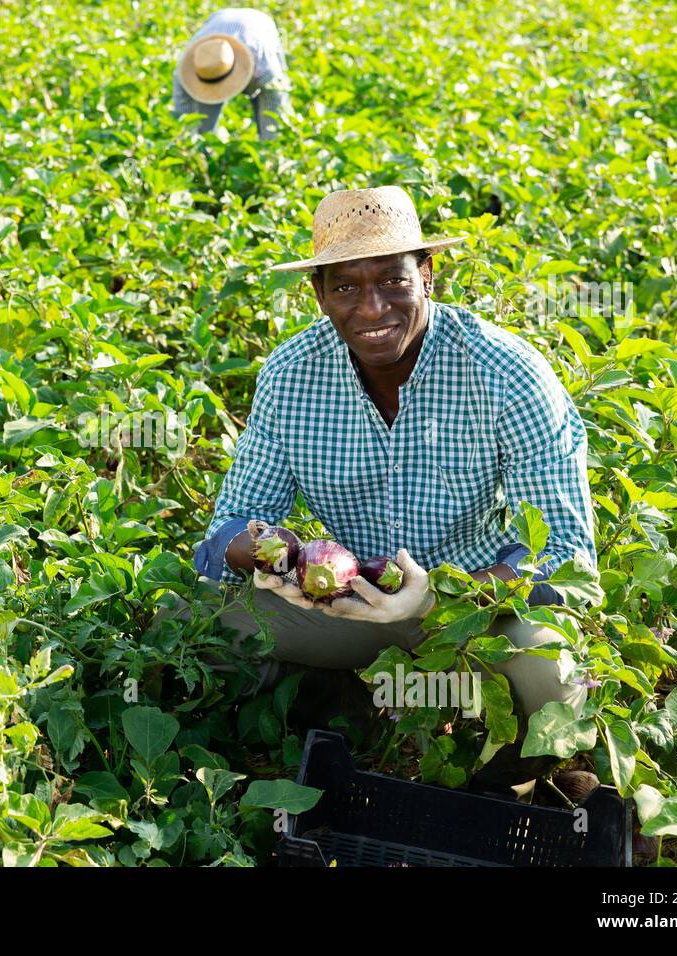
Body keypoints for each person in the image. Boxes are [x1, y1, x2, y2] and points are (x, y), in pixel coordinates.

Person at [182, 185, 600, 796]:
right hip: (346, 598)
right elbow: (236, 523)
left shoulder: (506, 372)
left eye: (392, 281)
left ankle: (505, 782)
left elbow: (567, 551)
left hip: (475, 608)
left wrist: (442, 597)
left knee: (551, 675)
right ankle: (343, 702)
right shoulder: (292, 374)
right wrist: (273, 552)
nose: (372, 308)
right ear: (319, 295)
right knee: (194, 626)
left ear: (427, 276)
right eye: (346, 286)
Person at [172, 8, 291, 141]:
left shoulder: (265, 71)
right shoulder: (186, 72)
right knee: (203, 131)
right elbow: (184, 123)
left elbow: (274, 123)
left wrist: (269, 149)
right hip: (220, 18)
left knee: (270, 127)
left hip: (260, 25)